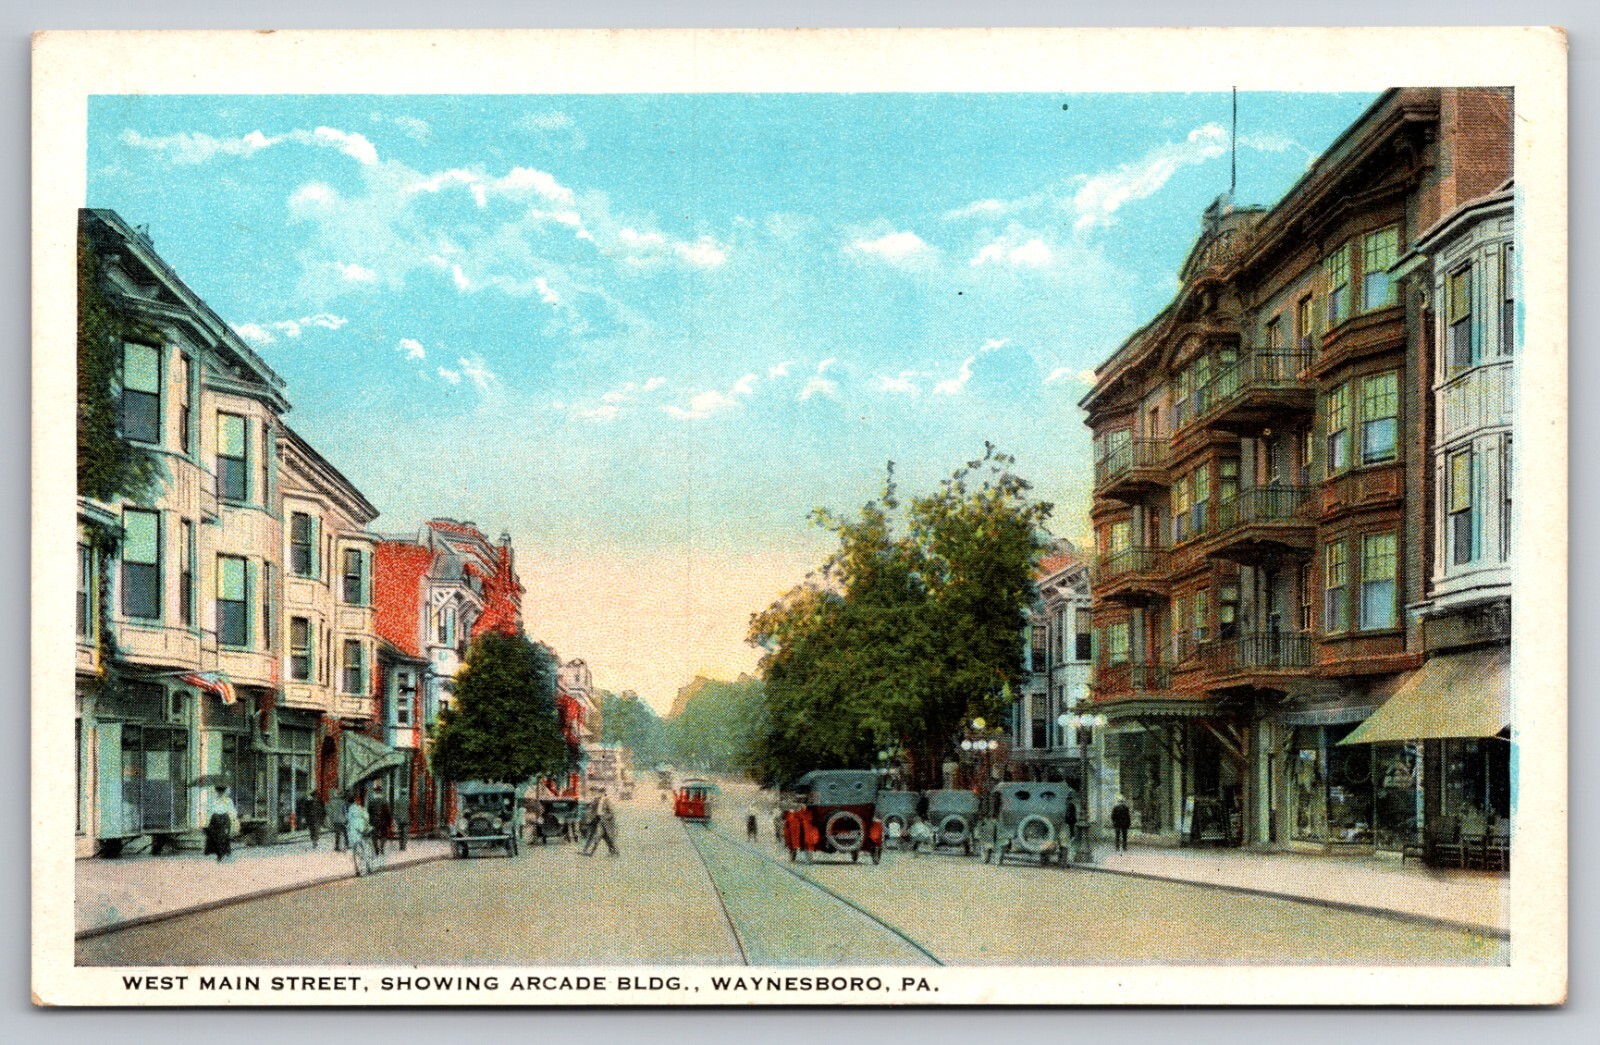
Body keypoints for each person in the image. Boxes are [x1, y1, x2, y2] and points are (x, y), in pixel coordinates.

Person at [202, 784, 239, 862]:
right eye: (219, 792)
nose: (220, 794)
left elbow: (232, 811)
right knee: (215, 837)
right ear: (217, 792)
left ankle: (224, 852)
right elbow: (209, 811)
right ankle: (218, 853)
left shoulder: (228, 800)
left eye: (222, 792)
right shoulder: (213, 800)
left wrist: (233, 819)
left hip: (224, 820)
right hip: (215, 820)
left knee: (224, 837)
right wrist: (206, 821)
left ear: (224, 792)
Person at [585, 790, 619, 857]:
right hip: (599, 821)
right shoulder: (598, 800)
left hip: (606, 822)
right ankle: (591, 853)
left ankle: (615, 852)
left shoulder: (607, 801)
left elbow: (611, 813)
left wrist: (604, 816)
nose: (599, 794)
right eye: (598, 793)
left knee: (608, 839)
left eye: (600, 793)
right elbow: (593, 808)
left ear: (603, 793)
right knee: (600, 837)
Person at [346, 798, 375, 875]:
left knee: (355, 851)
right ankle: (368, 868)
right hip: (361, 830)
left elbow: (348, 819)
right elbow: (367, 818)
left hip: (353, 832)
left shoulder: (350, 809)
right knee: (365, 849)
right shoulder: (363, 809)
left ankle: (357, 869)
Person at [367, 785, 394, 856]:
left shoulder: (371, 801)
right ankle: (381, 848)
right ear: (380, 792)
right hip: (383, 821)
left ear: (375, 792)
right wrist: (389, 821)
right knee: (383, 835)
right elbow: (388, 812)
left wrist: (370, 820)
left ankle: (376, 849)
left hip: (373, 821)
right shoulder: (384, 801)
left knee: (374, 836)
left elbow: (369, 811)